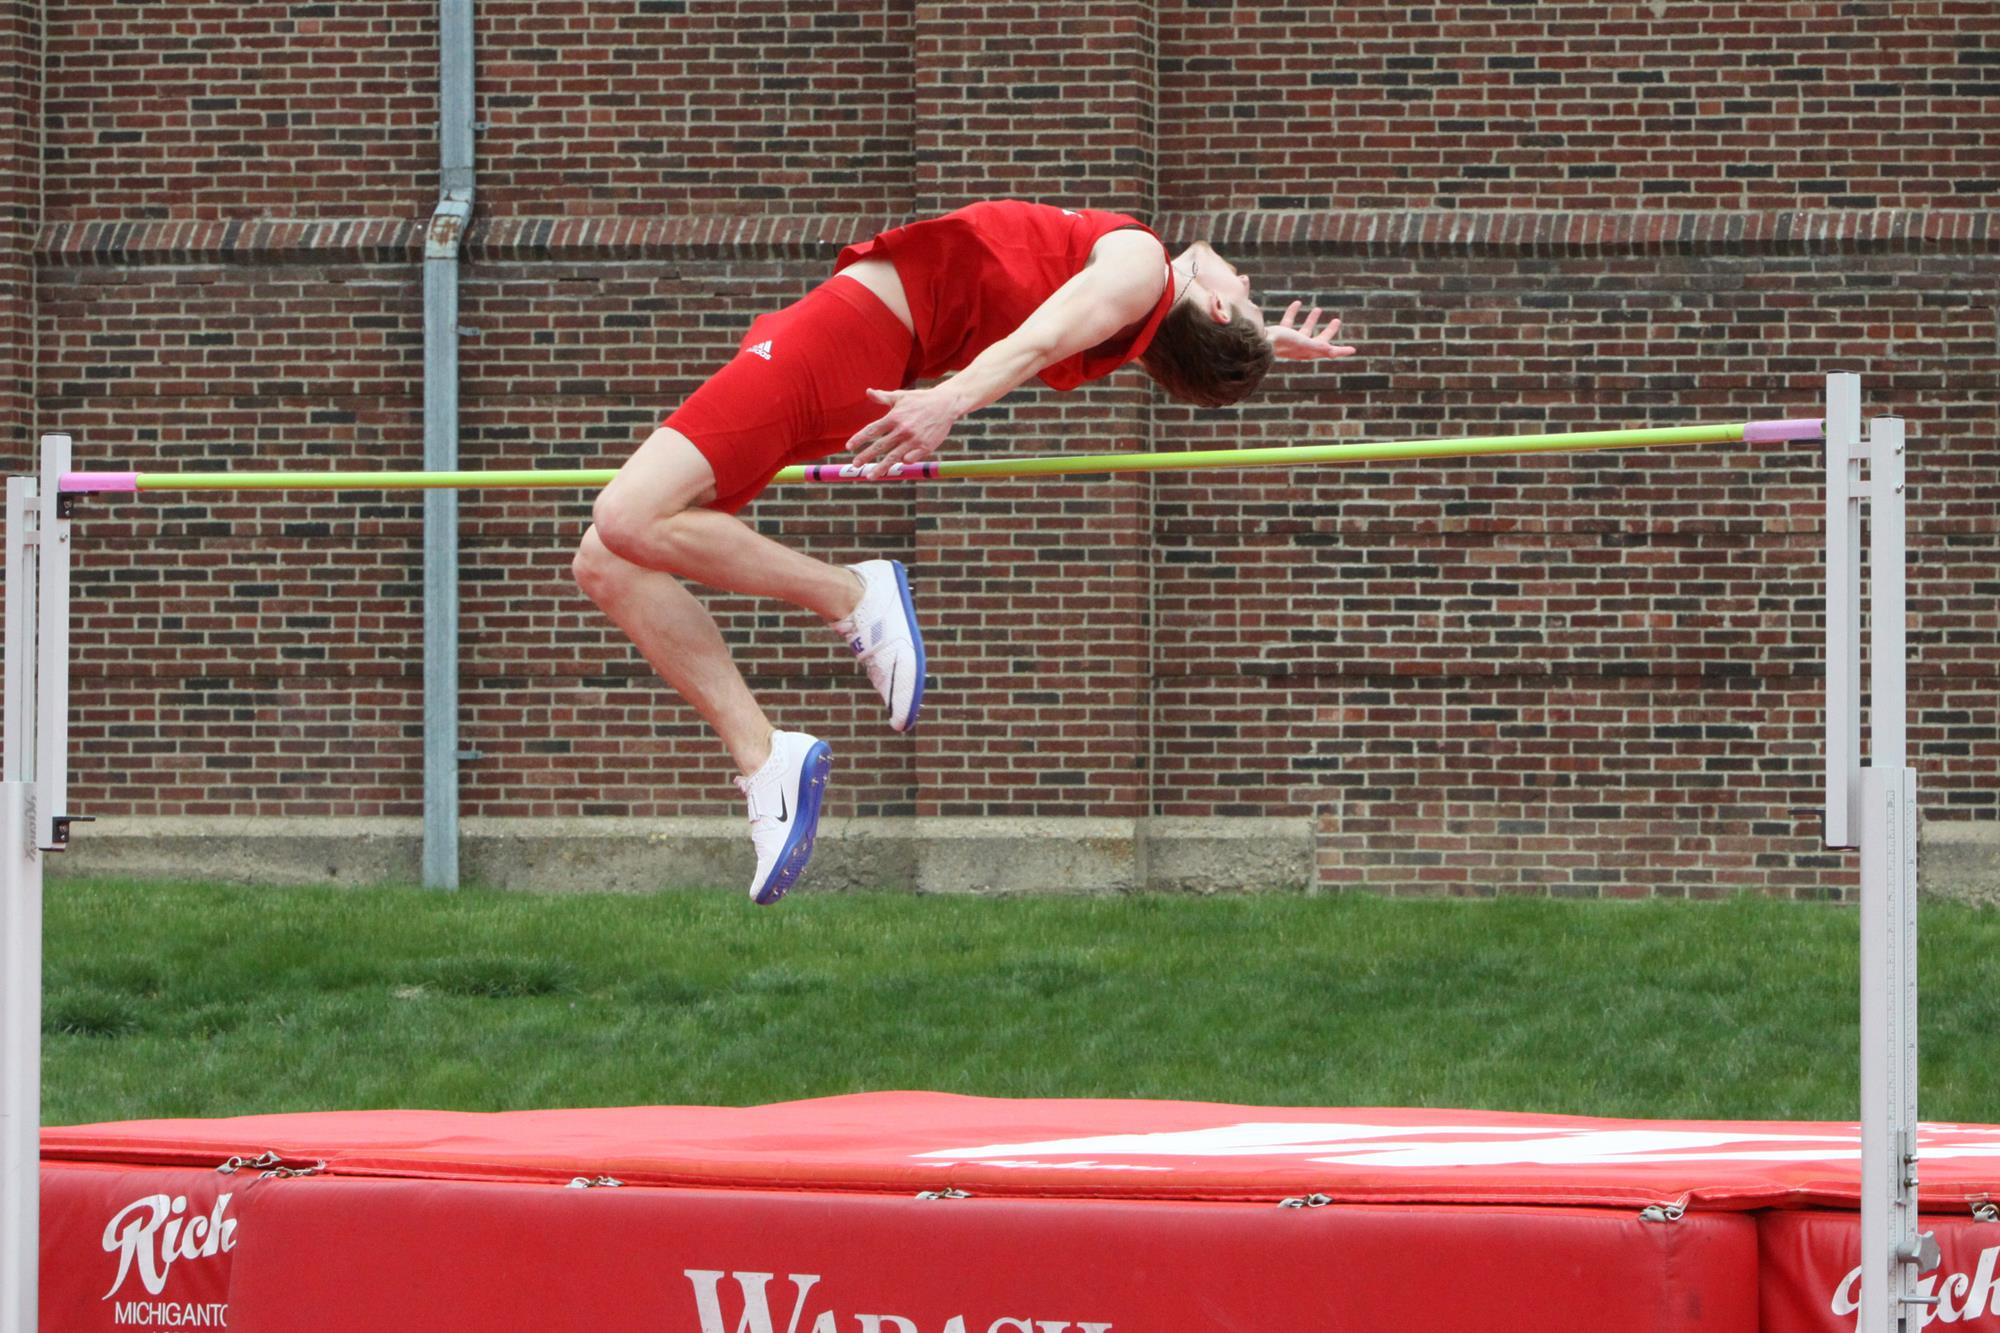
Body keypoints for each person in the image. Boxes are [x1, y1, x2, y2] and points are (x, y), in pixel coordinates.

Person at [572, 200, 1355, 905]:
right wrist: (1249, 343)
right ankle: (764, 756)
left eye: (1243, 294)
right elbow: (1142, 330)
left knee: (626, 513)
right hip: (866, 354)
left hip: (847, 335)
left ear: (1215, 304)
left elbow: (1042, 337)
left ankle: (851, 593)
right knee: (607, 560)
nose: (1248, 276)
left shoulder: (1140, 267)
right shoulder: (1134, 316)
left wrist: (950, 401)